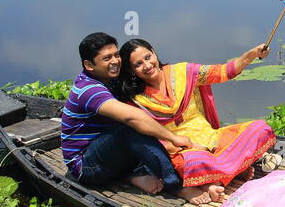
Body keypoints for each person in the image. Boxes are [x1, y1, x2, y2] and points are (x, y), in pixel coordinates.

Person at [118, 38, 280, 205]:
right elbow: (152, 139)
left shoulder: (183, 72)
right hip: (185, 150)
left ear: (153, 52)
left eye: (147, 57)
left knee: (260, 129)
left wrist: (251, 54)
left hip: (213, 137)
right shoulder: (136, 101)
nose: (147, 65)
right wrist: (187, 146)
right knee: (194, 162)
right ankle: (232, 170)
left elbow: (223, 72)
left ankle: (215, 180)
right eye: (138, 64)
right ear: (131, 71)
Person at [61, 31, 191, 195]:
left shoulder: (110, 78)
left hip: (111, 154)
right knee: (130, 126)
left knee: (140, 117)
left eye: (116, 55)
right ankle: (178, 186)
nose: (115, 61)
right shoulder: (88, 90)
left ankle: (133, 174)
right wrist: (173, 137)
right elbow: (131, 117)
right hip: (87, 167)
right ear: (89, 65)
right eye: (107, 58)